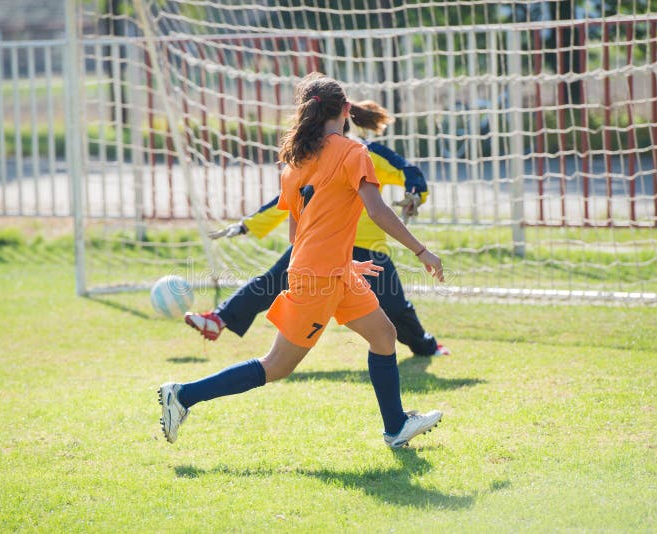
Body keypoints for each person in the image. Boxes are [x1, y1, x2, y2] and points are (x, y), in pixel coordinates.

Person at [159, 73, 445, 449]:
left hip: (329, 272)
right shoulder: (353, 153)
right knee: (277, 365)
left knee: (384, 335)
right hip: (320, 277)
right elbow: (376, 211)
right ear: (345, 111)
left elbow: (297, 236)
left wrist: (343, 264)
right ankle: (182, 396)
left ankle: (395, 427)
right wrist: (421, 250)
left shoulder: (295, 162)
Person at [184, 136, 449, 356]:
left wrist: (414, 194)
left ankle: (425, 347)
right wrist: (248, 225)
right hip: (323, 246)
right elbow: (287, 200)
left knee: (394, 306)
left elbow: (409, 172)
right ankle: (218, 319)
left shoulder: (367, 152)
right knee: (271, 282)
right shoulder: (315, 158)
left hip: (365, 248)